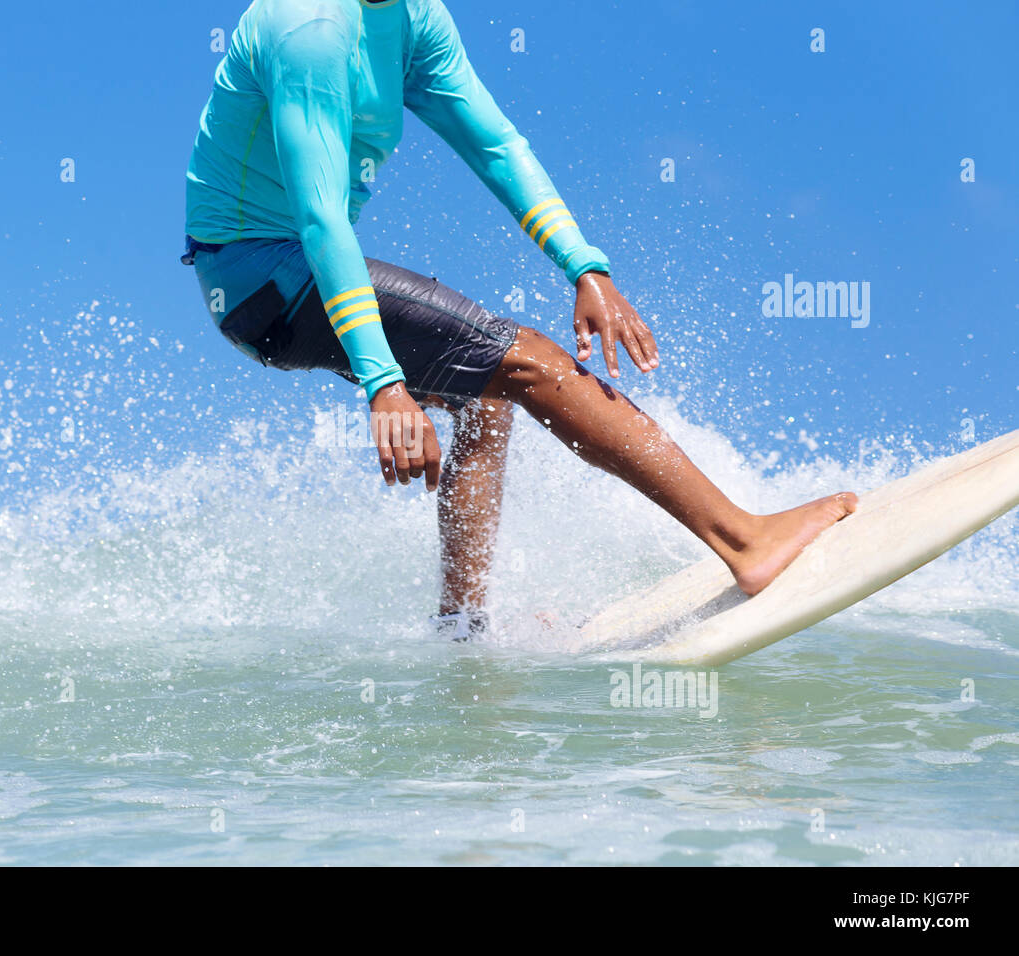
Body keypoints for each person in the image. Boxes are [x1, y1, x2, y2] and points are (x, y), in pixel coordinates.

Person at [182, 0, 856, 640]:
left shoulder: (411, 18)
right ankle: (743, 541)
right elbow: (320, 218)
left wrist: (584, 268)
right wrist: (382, 381)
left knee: (485, 399)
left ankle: (460, 628)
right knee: (529, 360)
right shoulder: (311, 29)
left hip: (280, 278)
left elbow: (495, 145)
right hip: (264, 276)